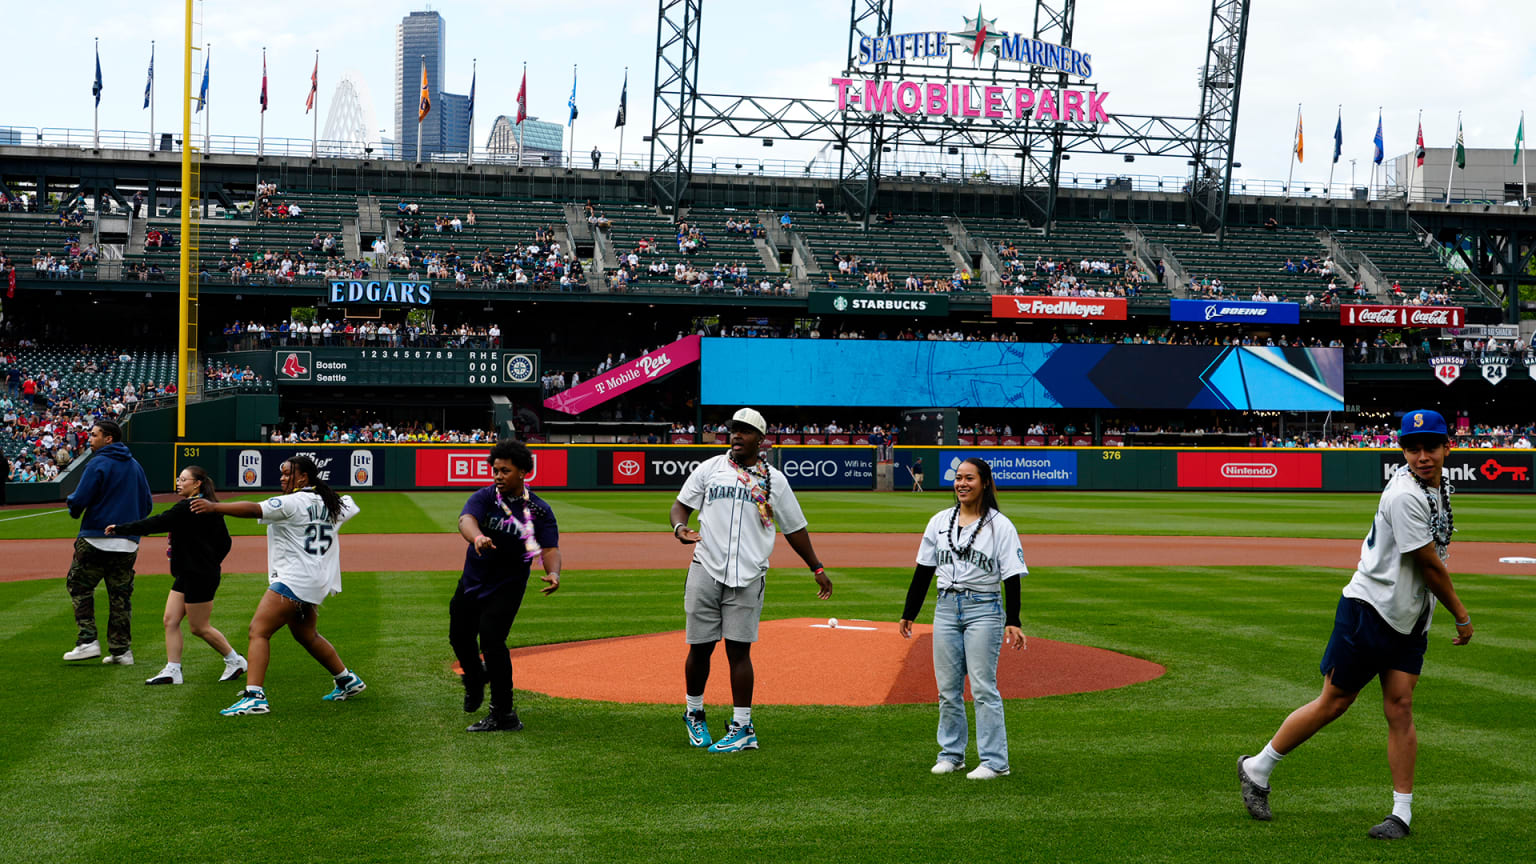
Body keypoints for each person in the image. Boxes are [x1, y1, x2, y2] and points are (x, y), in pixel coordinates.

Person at [1237, 409, 1474, 839]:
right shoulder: (1403, 495)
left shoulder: (1439, 487)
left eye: (1431, 446)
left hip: (1409, 615)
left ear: (1447, 447)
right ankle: (1258, 767)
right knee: (1335, 701)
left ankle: (1401, 814)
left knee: (1400, 707)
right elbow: (1429, 566)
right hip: (1369, 610)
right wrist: (1461, 615)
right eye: (1413, 448)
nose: (1423, 456)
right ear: (1402, 450)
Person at [670, 407, 831, 753]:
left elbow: (795, 528)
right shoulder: (710, 469)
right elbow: (681, 506)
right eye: (734, 430)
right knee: (699, 647)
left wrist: (816, 567)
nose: (737, 436)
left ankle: (743, 727)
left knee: (738, 651)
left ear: (761, 439)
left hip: (748, 574)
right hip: (705, 567)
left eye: (745, 431)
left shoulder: (774, 480)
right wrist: (680, 528)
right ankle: (694, 713)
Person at [191, 455, 365, 716]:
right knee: (307, 635)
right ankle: (346, 679)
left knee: (258, 631)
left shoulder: (291, 503)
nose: (282, 477)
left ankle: (255, 697)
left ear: (304, 477)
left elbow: (253, 509)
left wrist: (214, 507)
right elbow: (350, 505)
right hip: (318, 580)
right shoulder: (333, 502)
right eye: (281, 473)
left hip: (294, 579)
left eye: (288, 473)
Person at [899, 458, 1027, 780]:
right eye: (958, 478)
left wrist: (1014, 619)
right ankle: (952, 755)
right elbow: (924, 570)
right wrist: (909, 612)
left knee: (983, 687)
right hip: (945, 608)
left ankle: (995, 762)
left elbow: (1011, 576)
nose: (962, 484)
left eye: (969, 478)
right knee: (947, 688)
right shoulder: (940, 521)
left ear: (984, 482)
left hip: (983, 607)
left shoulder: (1000, 525)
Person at [451, 441, 562, 732]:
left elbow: (550, 548)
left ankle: (503, 714)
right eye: (495, 470)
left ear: (524, 472)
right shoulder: (485, 497)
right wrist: (476, 537)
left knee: (491, 641)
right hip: (472, 581)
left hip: (507, 586)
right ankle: (475, 679)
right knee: (459, 638)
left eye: (505, 470)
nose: (498, 475)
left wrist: (554, 574)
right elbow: (466, 520)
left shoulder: (539, 510)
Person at [106, 465, 246, 686]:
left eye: (183, 479)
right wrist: (208, 560)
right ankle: (173, 670)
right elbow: (225, 543)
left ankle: (235, 660)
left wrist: (121, 528)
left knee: (199, 627)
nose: (178, 483)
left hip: (199, 575)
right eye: (178, 479)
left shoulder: (189, 507)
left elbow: (156, 522)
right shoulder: (209, 507)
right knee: (170, 620)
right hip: (189, 573)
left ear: (197, 483)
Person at [62, 420, 153, 665]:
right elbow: (147, 505)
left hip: (95, 538)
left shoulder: (98, 462)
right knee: (120, 597)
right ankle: (122, 651)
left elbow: (80, 498)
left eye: (94, 435)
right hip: (128, 543)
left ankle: (87, 641)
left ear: (108, 438)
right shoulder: (135, 465)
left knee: (79, 586)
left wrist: (73, 508)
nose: (90, 439)